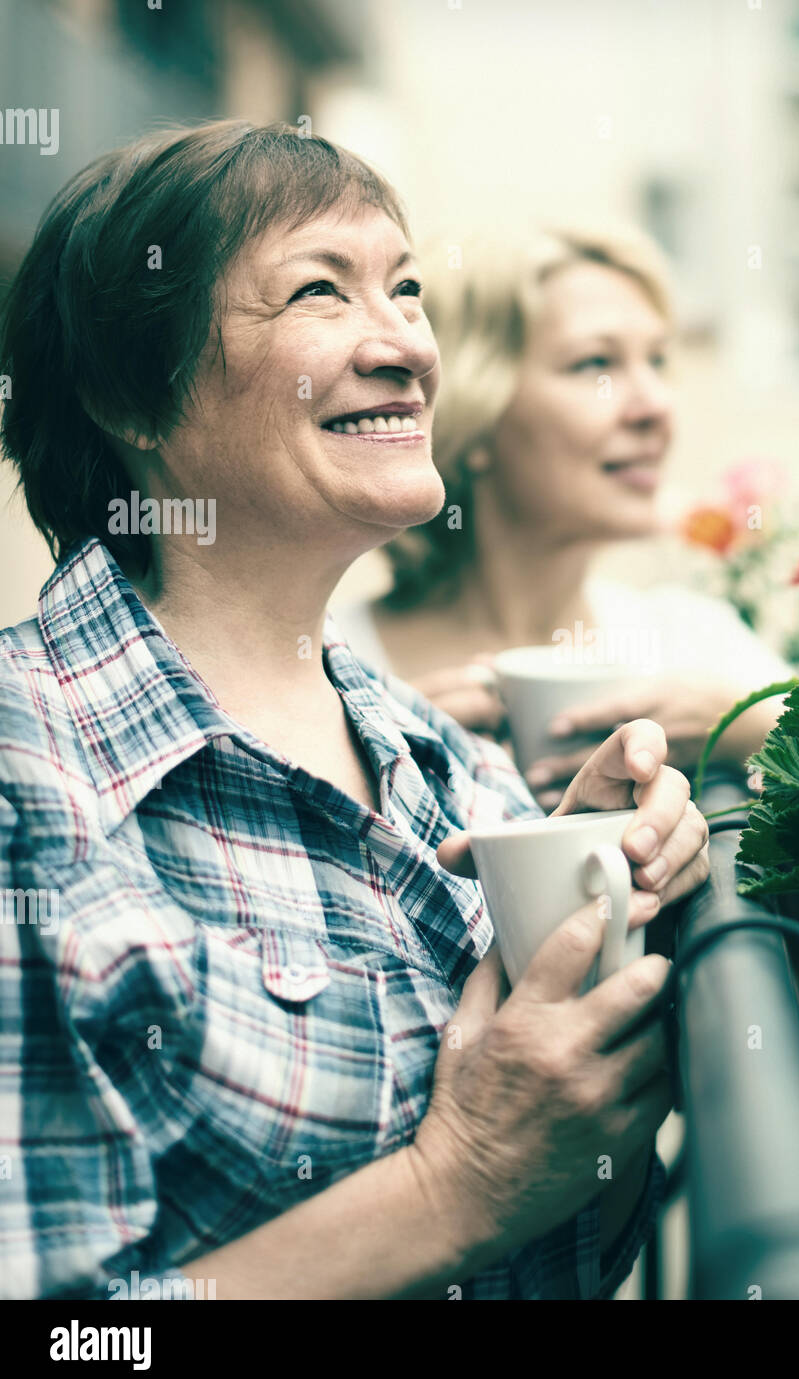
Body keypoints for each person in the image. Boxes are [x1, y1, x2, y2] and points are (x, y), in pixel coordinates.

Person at [0, 120, 709, 1300]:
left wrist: (601, 929)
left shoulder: (444, 760)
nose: (406, 349)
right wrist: (455, 1183)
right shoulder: (28, 775)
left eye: (408, 288)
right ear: (134, 393)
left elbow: (574, 1228)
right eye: (320, 292)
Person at [335, 226, 791, 807]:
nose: (656, 406)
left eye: (656, 360)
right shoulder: (337, 669)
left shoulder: (693, 645)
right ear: (473, 412)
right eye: (595, 364)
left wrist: (743, 725)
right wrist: (375, 759)